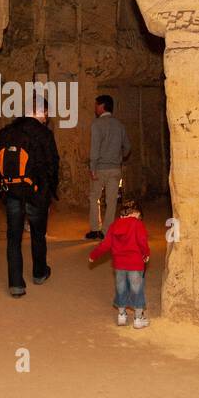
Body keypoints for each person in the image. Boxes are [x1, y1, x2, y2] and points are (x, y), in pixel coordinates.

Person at [0, 94, 60, 298]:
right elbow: (52, 164)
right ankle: (39, 273)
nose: (47, 118)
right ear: (41, 112)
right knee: (37, 234)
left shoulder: (5, 132)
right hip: (36, 192)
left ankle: (16, 284)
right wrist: (50, 190)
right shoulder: (43, 133)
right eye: (46, 114)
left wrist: (0, 191)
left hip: (12, 190)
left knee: (13, 237)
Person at [88, 197, 151, 329]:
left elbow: (105, 244)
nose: (138, 218)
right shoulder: (137, 224)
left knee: (121, 289)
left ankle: (121, 315)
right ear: (135, 213)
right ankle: (138, 318)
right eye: (138, 215)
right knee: (137, 289)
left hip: (119, 265)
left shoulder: (114, 225)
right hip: (135, 264)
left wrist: (94, 255)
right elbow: (142, 242)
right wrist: (146, 254)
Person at [85, 94, 131, 240]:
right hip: (115, 169)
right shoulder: (120, 125)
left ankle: (94, 229)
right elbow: (128, 147)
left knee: (94, 198)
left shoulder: (97, 124)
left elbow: (95, 149)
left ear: (101, 106)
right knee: (111, 201)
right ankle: (106, 231)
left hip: (100, 168)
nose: (95, 107)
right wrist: (119, 158)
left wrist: (92, 167)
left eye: (96, 105)